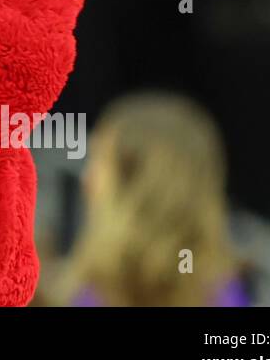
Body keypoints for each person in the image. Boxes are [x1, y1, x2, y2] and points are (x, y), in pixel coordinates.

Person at [60, 92, 247, 306]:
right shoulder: (220, 290)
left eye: (101, 161)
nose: (87, 180)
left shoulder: (99, 292)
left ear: (144, 189)